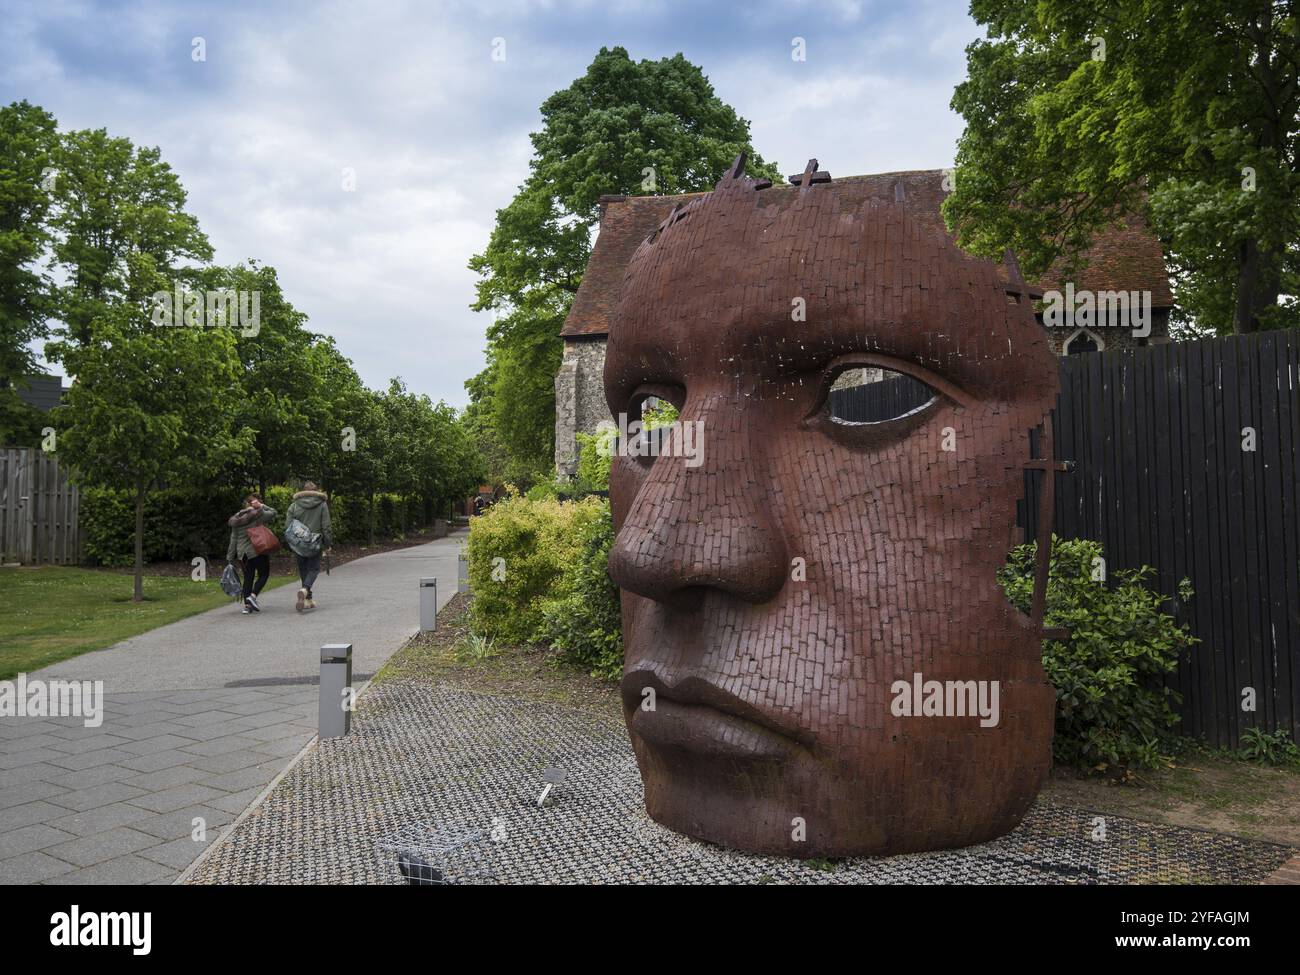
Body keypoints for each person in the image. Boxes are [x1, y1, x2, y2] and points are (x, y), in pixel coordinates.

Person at [226, 493, 276, 615]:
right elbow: (274, 512)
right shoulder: (258, 515)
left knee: (248, 577)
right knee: (264, 574)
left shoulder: (237, 520)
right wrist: (262, 506)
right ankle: (252, 597)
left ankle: (247, 607)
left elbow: (234, 539)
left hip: (243, 554)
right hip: (258, 550)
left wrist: (230, 557)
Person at [285, 481, 331, 612]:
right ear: (316, 491)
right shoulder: (322, 505)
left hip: (299, 543)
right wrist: (328, 544)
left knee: (303, 569)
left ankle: (307, 599)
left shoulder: (294, 505)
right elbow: (326, 527)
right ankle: (305, 590)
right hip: (315, 542)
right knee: (314, 569)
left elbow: (288, 525)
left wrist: (293, 541)